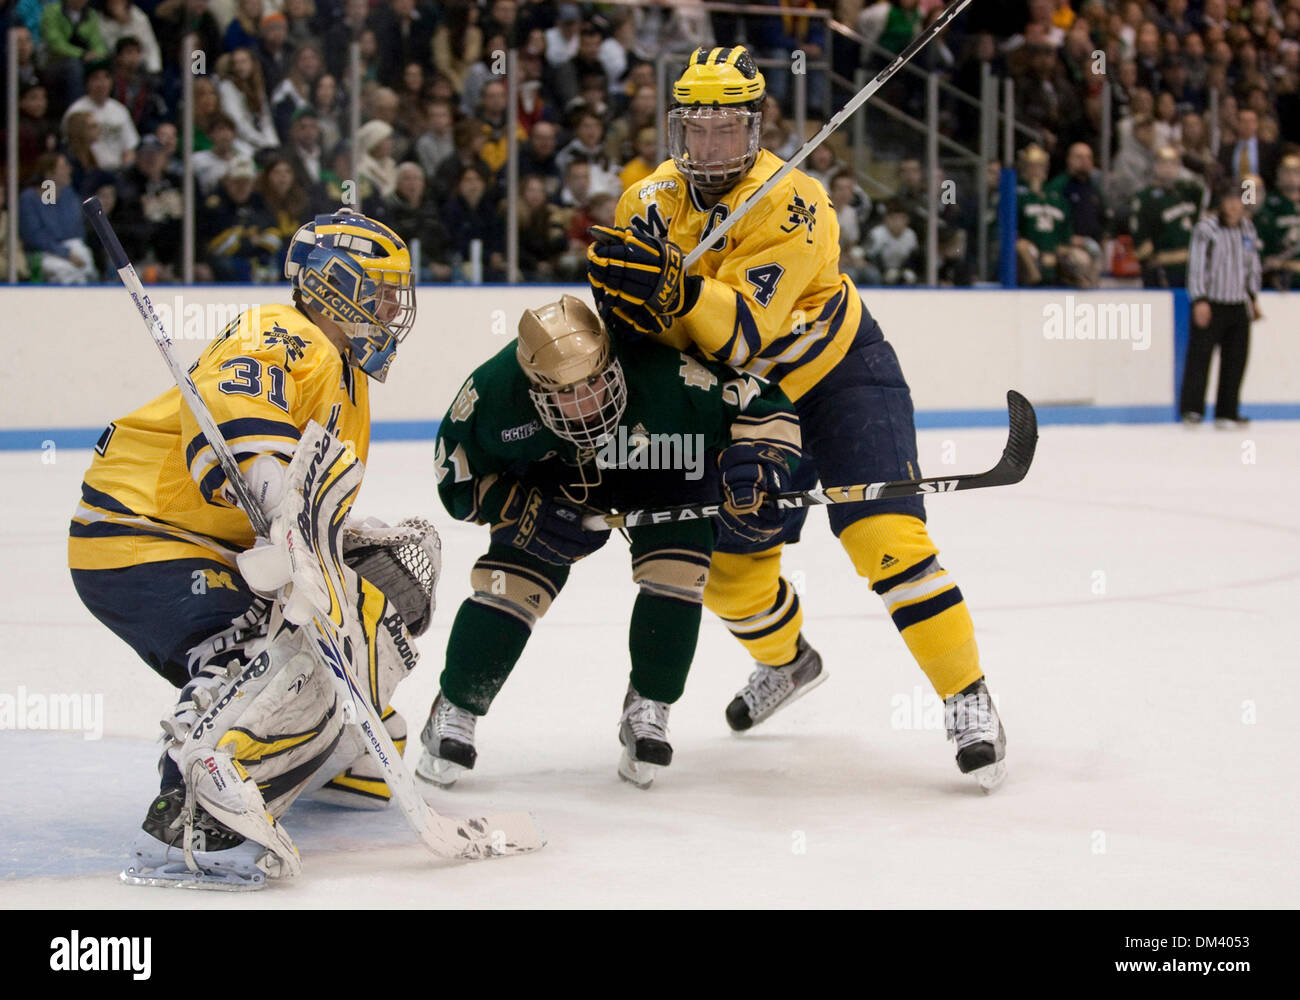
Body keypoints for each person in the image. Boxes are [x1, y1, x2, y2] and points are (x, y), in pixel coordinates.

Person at [586, 46, 1006, 791]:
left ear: (756, 126)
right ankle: (788, 662)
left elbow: (744, 329)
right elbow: (655, 336)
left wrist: (676, 293)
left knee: (885, 537)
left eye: (726, 129)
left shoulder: (796, 200)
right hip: (740, 399)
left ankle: (966, 696)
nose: (709, 147)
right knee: (730, 575)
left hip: (836, 379)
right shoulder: (646, 201)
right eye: (695, 129)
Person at [68, 209, 438, 888]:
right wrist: (275, 499)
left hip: (209, 544)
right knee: (263, 650)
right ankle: (195, 808)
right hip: (144, 531)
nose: (392, 307)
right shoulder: (287, 329)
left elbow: (307, 499)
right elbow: (240, 409)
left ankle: (336, 745)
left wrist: (326, 541)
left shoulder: (345, 375)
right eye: (382, 290)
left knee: (380, 588)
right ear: (336, 284)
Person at [417, 295, 801, 788]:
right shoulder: (494, 392)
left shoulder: (664, 372)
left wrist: (758, 462)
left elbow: (762, 402)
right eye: (566, 393)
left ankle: (649, 706)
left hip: (666, 470)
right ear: (534, 389)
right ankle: (455, 708)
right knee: (511, 582)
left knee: (678, 572)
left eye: (597, 381)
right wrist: (513, 507)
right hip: (558, 483)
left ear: (610, 360)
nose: (587, 402)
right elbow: (457, 479)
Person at [1181, 187, 1262, 428]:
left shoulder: (1248, 229)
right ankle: (1192, 409)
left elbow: (1252, 264)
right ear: (1221, 203)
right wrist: (1199, 299)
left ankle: (1227, 411)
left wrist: (1253, 296)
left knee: (1235, 360)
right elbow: (1196, 266)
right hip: (1212, 302)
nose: (1235, 206)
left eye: (1238, 200)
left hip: (1238, 304)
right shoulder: (1206, 229)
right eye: (1229, 200)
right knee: (1200, 358)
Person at [1129, 146, 1204, 288]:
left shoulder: (1188, 191)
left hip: (1194, 270)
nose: (1168, 168)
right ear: (1155, 166)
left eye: (1173, 163)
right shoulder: (1145, 198)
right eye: (1164, 163)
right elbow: (1142, 247)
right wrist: (1169, 257)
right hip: (1166, 271)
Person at [1255, 154, 1300, 290]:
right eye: (1286, 171)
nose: (1291, 176)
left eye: (1296, 171)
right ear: (1278, 175)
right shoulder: (1266, 204)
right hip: (1275, 281)